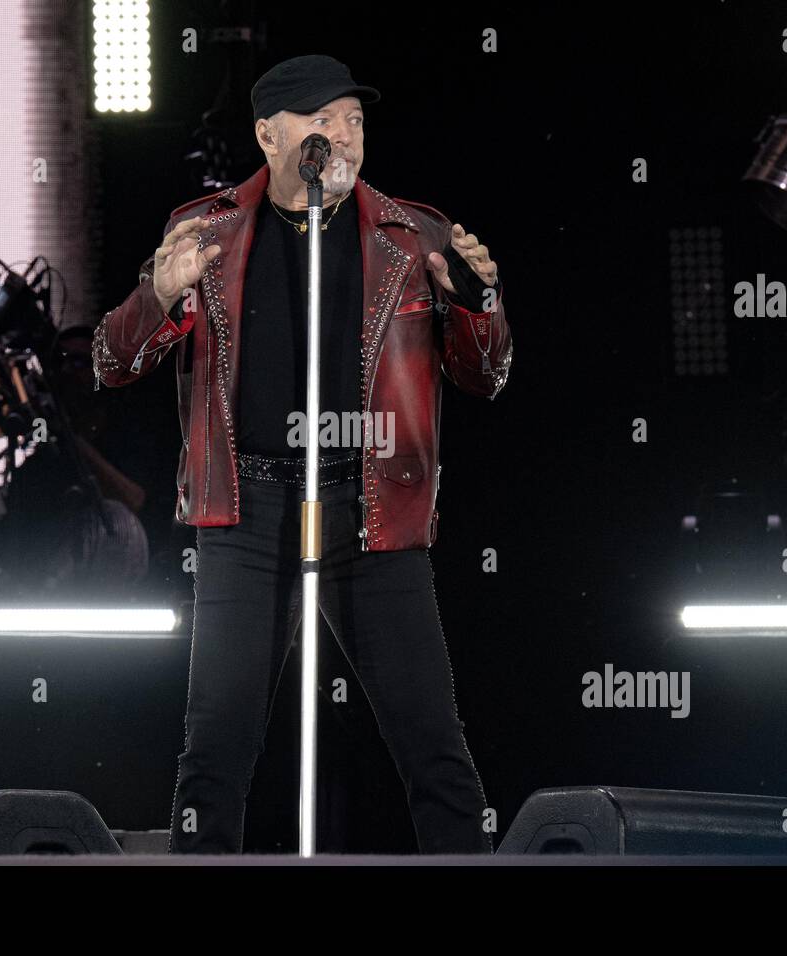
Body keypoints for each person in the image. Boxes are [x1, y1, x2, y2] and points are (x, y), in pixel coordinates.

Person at [94, 54, 512, 853]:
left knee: (434, 744)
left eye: (355, 120)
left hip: (371, 507)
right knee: (214, 751)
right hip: (246, 509)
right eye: (323, 120)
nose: (344, 136)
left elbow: (485, 378)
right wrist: (159, 293)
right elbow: (113, 364)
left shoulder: (412, 234)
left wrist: (479, 305)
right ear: (268, 135)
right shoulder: (203, 230)